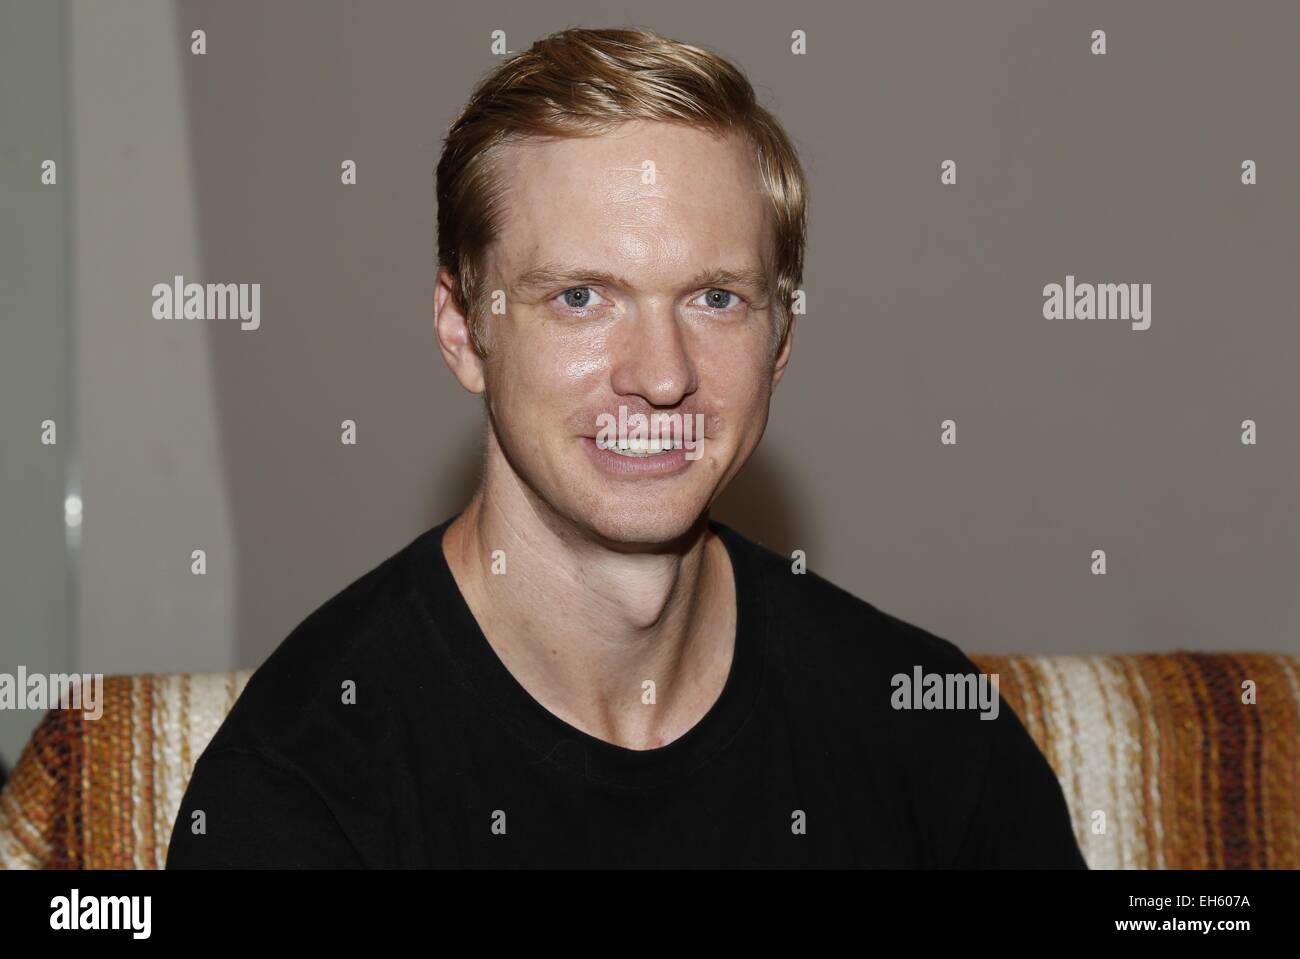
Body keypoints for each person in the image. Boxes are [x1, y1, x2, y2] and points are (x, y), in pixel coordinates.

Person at [166, 26, 1086, 868]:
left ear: (782, 339)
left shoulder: (929, 728)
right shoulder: (301, 782)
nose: (660, 373)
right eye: (580, 297)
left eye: (716, 297)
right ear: (461, 328)